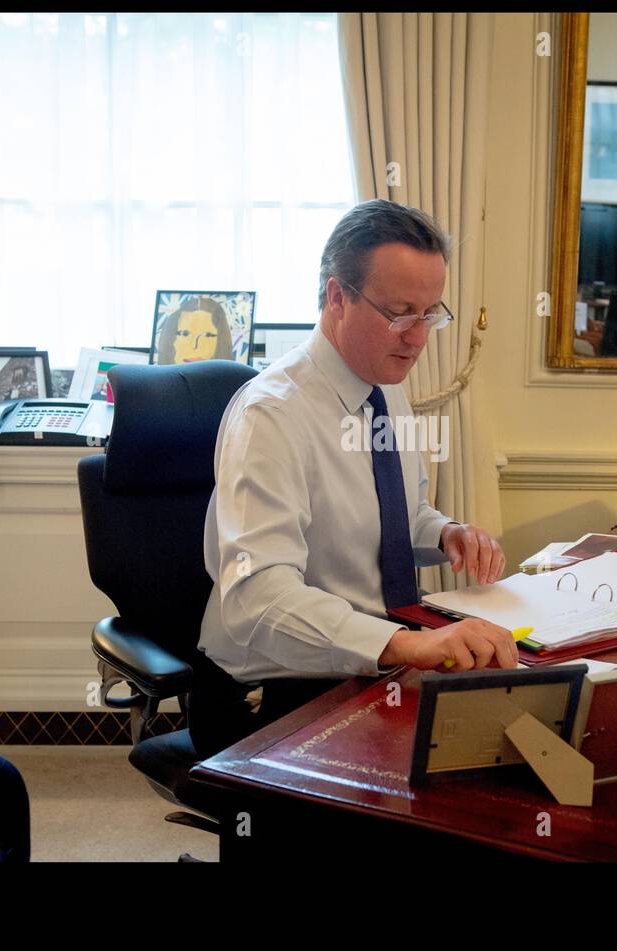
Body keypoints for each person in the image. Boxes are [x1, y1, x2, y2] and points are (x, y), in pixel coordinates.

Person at [190, 199, 514, 756]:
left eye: (431, 313)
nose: (419, 338)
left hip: (373, 663)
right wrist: (403, 645)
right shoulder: (271, 416)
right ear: (337, 296)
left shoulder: (385, 384)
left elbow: (400, 515)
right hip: (275, 693)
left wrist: (445, 533)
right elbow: (257, 599)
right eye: (400, 312)